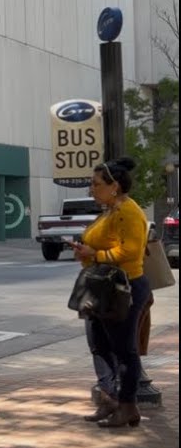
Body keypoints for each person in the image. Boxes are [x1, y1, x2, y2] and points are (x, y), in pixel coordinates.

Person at [70, 157, 152, 429]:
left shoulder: (128, 212)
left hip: (123, 289)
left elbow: (130, 251)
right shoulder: (109, 210)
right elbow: (99, 246)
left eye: (95, 184)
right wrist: (86, 252)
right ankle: (110, 399)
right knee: (100, 344)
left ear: (114, 186)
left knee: (124, 349)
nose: (91, 189)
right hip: (103, 287)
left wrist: (96, 253)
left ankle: (128, 406)